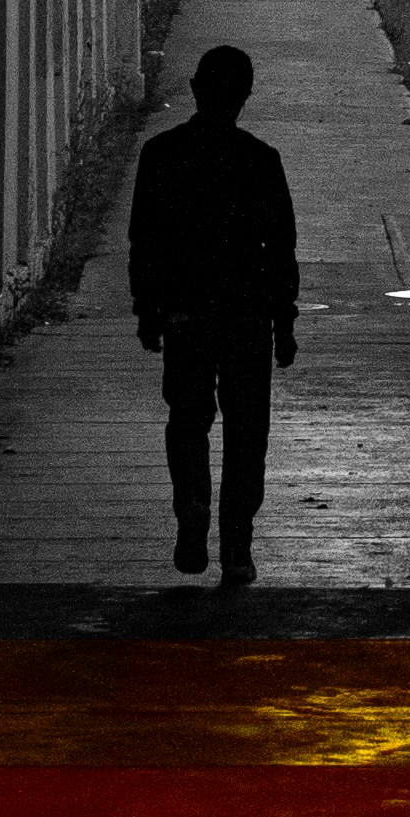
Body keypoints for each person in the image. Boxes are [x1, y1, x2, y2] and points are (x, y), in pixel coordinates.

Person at [127, 41, 299, 582]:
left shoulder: (161, 155)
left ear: (197, 90)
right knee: (247, 431)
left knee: (188, 419)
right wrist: (285, 321)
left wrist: (147, 311)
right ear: (245, 96)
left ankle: (192, 503)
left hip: (185, 315)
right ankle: (238, 546)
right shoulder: (261, 160)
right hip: (247, 318)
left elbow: (143, 242)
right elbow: (281, 249)